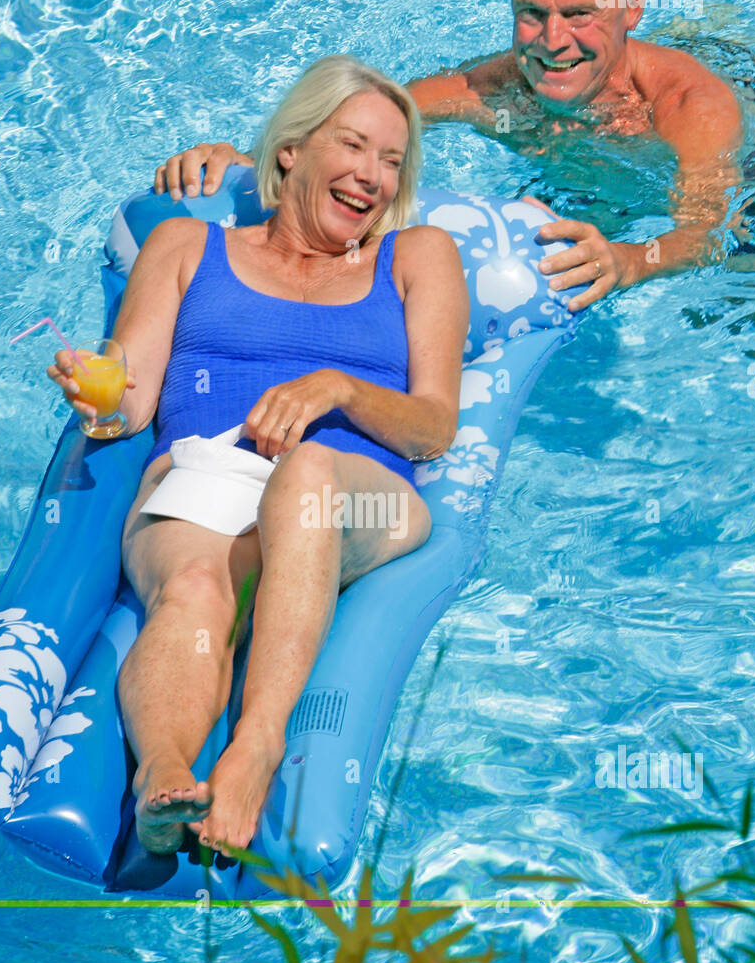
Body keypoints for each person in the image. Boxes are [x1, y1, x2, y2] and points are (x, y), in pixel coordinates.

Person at [47, 55, 469, 857]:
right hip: (208, 474)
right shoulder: (184, 246)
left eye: (391, 160)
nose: (373, 176)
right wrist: (94, 394)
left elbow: (433, 426)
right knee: (194, 591)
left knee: (307, 474)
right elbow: (129, 396)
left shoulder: (415, 257)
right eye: (353, 147)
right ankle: (163, 779)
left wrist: (337, 390)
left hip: (358, 490)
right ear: (290, 150)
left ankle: (258, 742)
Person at [156, 0, 744, 311]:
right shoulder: (496, 91)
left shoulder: (690, 108)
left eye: (579, 14)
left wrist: (631, 261)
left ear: (631, 7)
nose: (552, 41)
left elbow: (711, 230)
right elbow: (363, 114)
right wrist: (248, 158)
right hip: (591, 179)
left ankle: (711, 33)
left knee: (754, 305)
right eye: (532, 13)